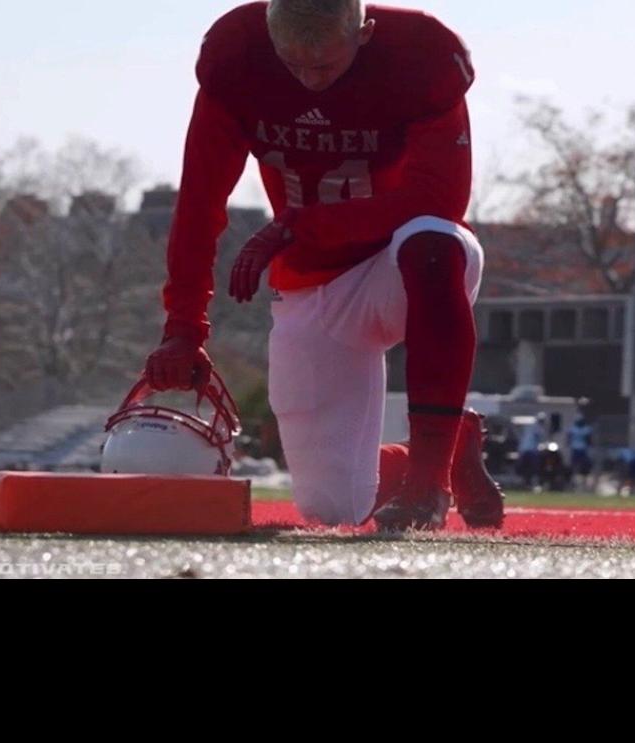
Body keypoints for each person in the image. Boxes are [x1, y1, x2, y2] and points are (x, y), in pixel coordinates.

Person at [144, 0, 500, 531]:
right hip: (312, 285)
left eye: (326, 66)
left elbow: (440, 197)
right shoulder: (237, 56)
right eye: (294, 66)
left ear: (366, 34)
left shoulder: (418, 55)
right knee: (331, 506)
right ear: (269, 37)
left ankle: (430, 480)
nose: (310, 82)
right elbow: (199, 203)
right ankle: (451, 451)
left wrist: (304, 224)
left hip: (396, 263)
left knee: (435, 242)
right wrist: (183, 327)